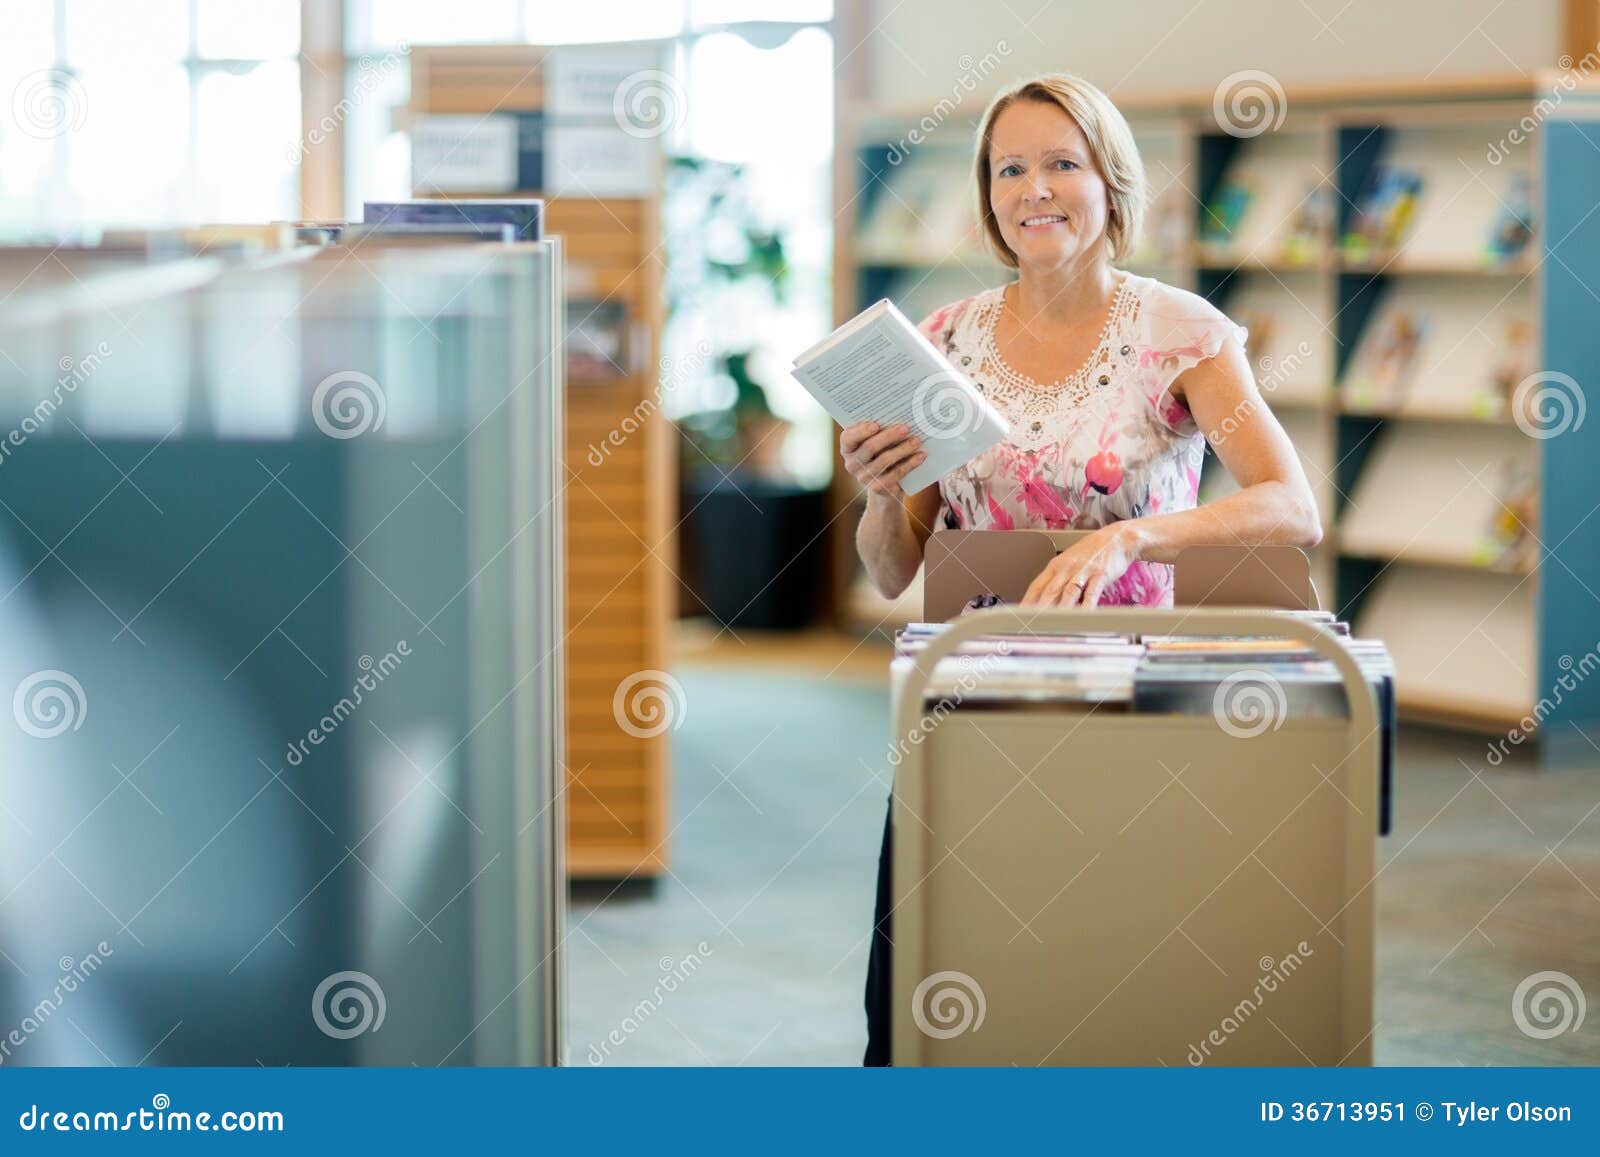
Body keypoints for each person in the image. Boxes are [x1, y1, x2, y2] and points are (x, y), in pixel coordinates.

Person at [841, 74, 1322, 1065]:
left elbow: (1291, 503)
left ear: (1111, 182)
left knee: (1110, 973)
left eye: (1061, 161)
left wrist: (1130, 537)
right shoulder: (942, 344)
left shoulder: (1176, 331)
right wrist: (882, 494)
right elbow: (892, 569)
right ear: (987, 194)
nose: (1034, 187)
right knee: (930, 986)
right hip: (969, 701)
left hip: (1130, 699)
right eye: (1008, 167)